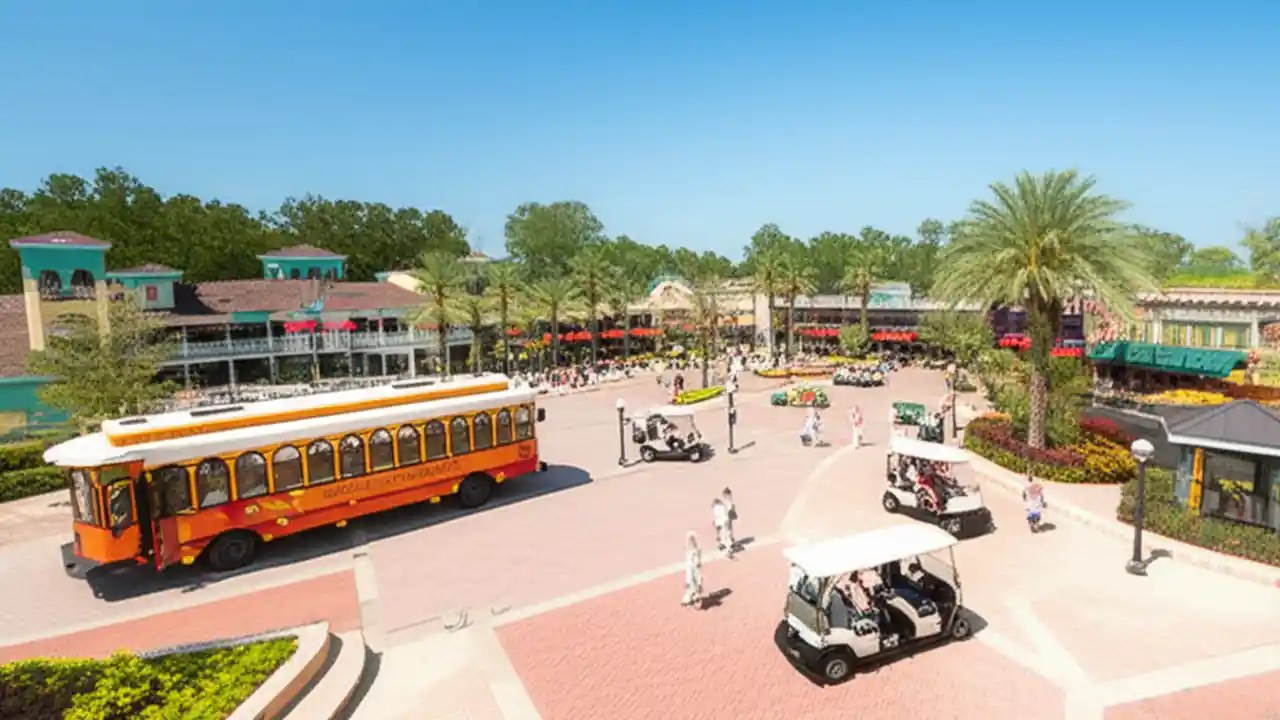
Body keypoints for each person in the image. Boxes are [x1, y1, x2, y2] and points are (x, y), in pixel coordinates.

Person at [681, 531, 703, 608]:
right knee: (690, 581)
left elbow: (697, 565)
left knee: (694, 581)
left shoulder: (695, 552)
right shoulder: (689, 551)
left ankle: (694, 596)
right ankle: (690, 596)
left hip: (693, 566)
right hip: (691, 566)